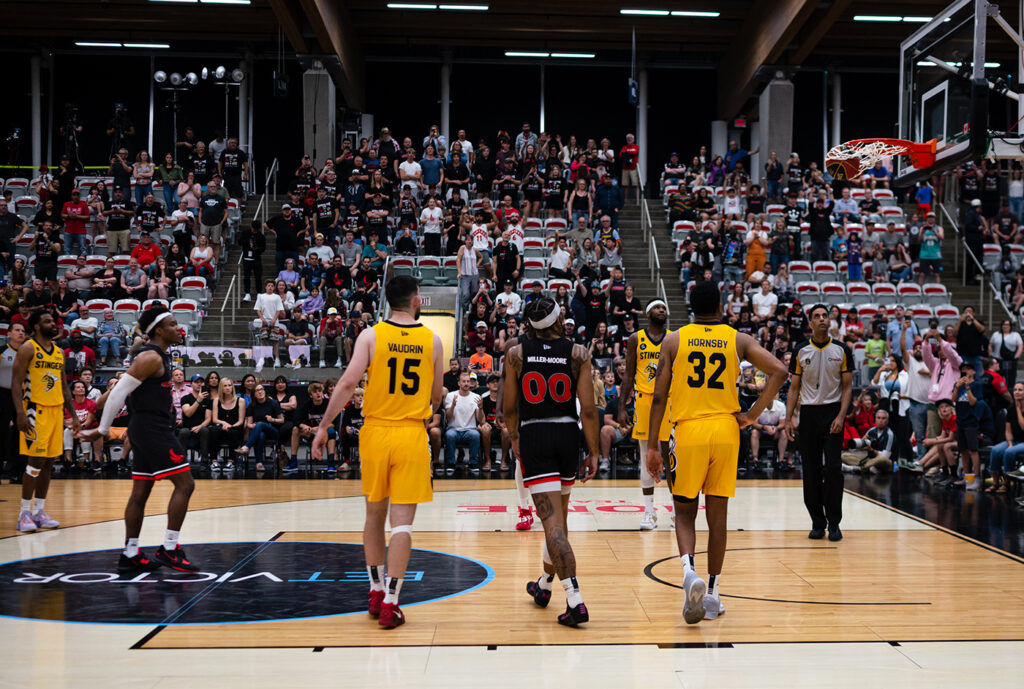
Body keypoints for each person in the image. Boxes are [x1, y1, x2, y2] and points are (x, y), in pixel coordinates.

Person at [644, 280, 786, 624]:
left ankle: (688, 570)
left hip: (689, 430)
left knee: (683, 513)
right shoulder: (738, 339)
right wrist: (752, 415)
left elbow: (659, 397)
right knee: (717, 517)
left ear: (690, 306)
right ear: (721, 305)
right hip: (726, 431)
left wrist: (652, 445)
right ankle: (713, 593)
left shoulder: (674, 341)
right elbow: (780, 371)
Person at [312, 275, 443, 629]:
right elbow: (436, 397)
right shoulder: (432, 341)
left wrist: (324, 426)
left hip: (375, 431)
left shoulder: (370, 335)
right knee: (402, 525)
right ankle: (391, 601)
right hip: (411, 433)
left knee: (373, 515)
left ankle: (374, 589)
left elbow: (348, 382)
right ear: (416, 300)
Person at [503, 297, 601, 627]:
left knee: (553, 525)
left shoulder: (516, 354)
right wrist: (594, 451)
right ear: (560, 320)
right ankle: (543, 586)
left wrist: (515, 438)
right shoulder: (578, 354)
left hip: (536, 437)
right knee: (558, 521)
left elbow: (509, 409)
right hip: (567, 437)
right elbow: (588, 410)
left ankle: (575, 599)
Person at [84, 307, 197, 571]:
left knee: (141, 491)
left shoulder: (157, 356)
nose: (178, 328)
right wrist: (102, 430)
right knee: (185, 484)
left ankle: (131, 553)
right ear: (158, 330)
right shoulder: (150, 358)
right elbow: (115, 395)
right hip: (152, 430)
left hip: (145, 428)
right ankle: (170, 548)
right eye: (172, 324)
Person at [785, 304, 854, 542]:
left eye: (825, 315)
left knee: (833, 468)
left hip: (833, 412)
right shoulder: (801, 350)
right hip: (809, 413)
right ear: (810, 323)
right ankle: (817, 521)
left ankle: (834, 522)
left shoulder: (842, 349)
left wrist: (841, 416)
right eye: (817, 316)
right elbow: (794, 388)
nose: (822, 319)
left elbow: (847, 387)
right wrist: (789, 418)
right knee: (811, 470)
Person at [11, 312, 79, 532]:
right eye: (48, 321)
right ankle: (24, 514)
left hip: (56, 411)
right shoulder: (28, 348)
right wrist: (20, 413)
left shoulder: (59, 352)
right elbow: (16, 382)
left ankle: (39, 511)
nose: (54, 324)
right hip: (34, 410)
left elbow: (64, 388)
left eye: (54, 320)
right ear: (37, 326)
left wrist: (74, 415)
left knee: (49, 463)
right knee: (35, 463)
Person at [617, 299, 671, 531]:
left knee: (671, 457)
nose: (662, 311)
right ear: (648, 313)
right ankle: (649, 512)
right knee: (645, 455)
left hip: (670, 401)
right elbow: (628, 375)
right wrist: (621, 407)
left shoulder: (673, 338)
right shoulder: (635, 339)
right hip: (644, 401)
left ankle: (677, 510)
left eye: (664, 308)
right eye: (658, 308)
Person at [0, 321, 27, 482]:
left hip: (22, 395)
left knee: (21, 434)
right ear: (8, 334)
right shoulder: (2, 352)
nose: (20, 333)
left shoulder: (28, 353)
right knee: (1, 433)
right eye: (17, 330)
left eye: (23, 331)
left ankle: (19, 471)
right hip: (3, 394)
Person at [444, 372, 484, 474]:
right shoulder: (450, 396)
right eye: (464, 381)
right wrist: (453, 405)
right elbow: (448, 417)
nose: (466, 383)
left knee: (475, 435)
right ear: (459, 383)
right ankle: (451, 464)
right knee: (449, 435)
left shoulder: (476, 397)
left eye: (468, 381)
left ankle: (473, 463)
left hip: (469, 429)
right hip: (454, 429)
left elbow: (480, 419)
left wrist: (480, 407)